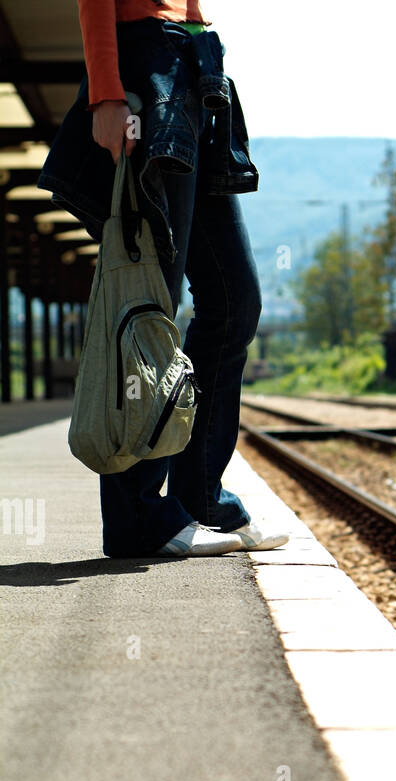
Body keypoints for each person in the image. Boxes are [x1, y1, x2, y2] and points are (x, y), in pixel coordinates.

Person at [41, 1, 287, 559]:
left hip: (194, 64)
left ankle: (199, 498)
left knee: (234, 302)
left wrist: (203, 49)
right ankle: (139, 518)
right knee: (150, 302)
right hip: (143, 63)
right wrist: (105, 92)